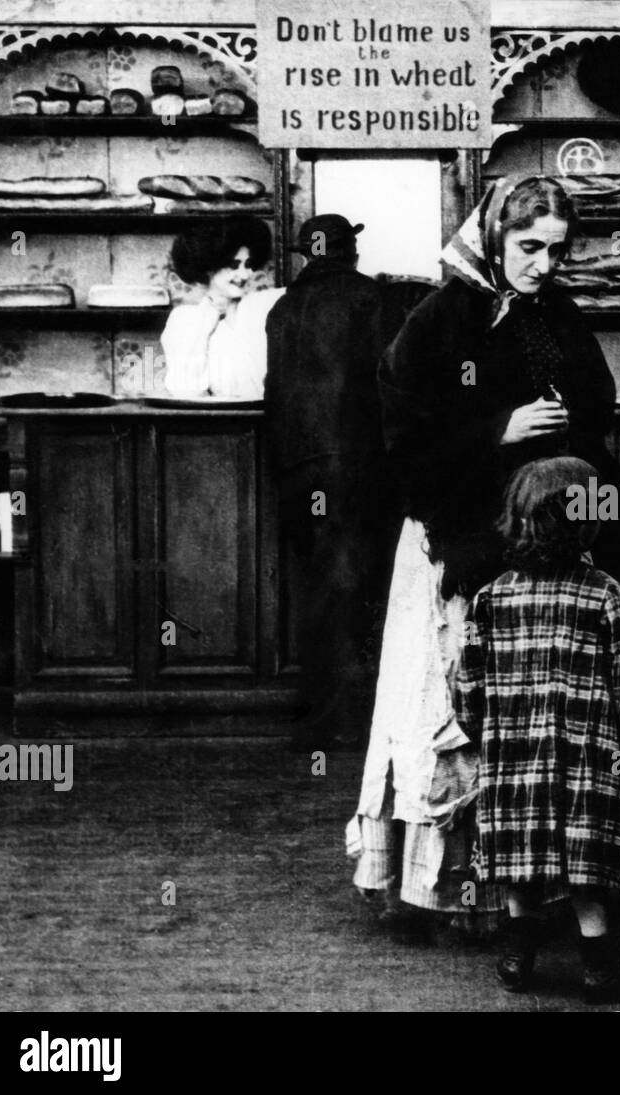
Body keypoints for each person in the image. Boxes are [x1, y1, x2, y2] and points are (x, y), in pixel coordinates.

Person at [347, 176, 620, 939]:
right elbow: (400, 435)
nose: (543, 265)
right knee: (458, 700)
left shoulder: (556, 313)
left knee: (532, 711)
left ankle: (539, 882)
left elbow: (596, 404)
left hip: (541, 536)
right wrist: (499, 430)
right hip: (462, 536)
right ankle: (443, 891)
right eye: (528, 247)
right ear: (494, 241)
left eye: (557, 251)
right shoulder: (438, 319)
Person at [455, 456, 620, 1003]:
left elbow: (467, 687)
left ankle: (516, 957)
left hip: (512, 764)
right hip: (588, 764)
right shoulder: (607, 595)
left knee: (519, 861)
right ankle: (601, 969)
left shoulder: (491, 598)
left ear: (516, 518)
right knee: (586, 867)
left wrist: (483, 731)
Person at [264, 214, 395, 753]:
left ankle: (316, 717)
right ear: (351, 252)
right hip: (354, 467)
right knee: (358, 591)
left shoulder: (281, 308)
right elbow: (393, 379)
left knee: (317, 589)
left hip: (295, 470)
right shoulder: (370, 299)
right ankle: (348, 723)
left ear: (305, 255)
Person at [161, 215, 283, 398]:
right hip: (210, 422)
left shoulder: (260, 307)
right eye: (234, 265)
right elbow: (185, 389)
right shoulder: (185, 319)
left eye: (249, 265)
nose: (245, 274)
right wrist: (208, 319)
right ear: (210, 266)